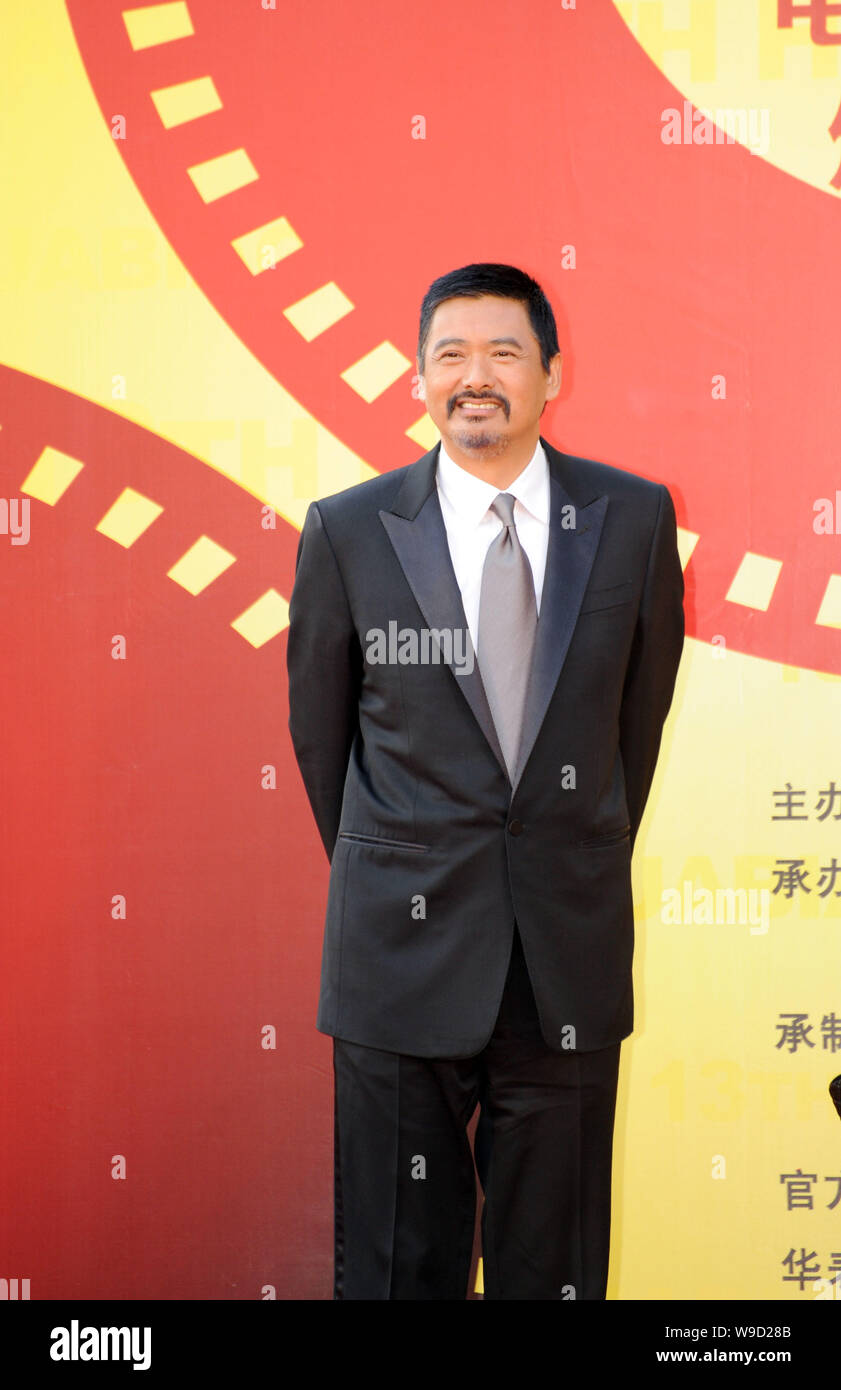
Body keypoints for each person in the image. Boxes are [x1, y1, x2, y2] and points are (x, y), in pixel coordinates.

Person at [286, 262, 684, 1300]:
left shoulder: (633, 521)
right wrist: (405, 861)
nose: (476, 376)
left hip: (564, 945)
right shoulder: (349, 529)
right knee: (392, 1257)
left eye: (503, 352)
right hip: (399, 950)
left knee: (550, 1265)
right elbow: (324, 744)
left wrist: (561, 850)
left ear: (552, 374)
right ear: (418, 378)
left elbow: (629, 734)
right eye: (450, 354)